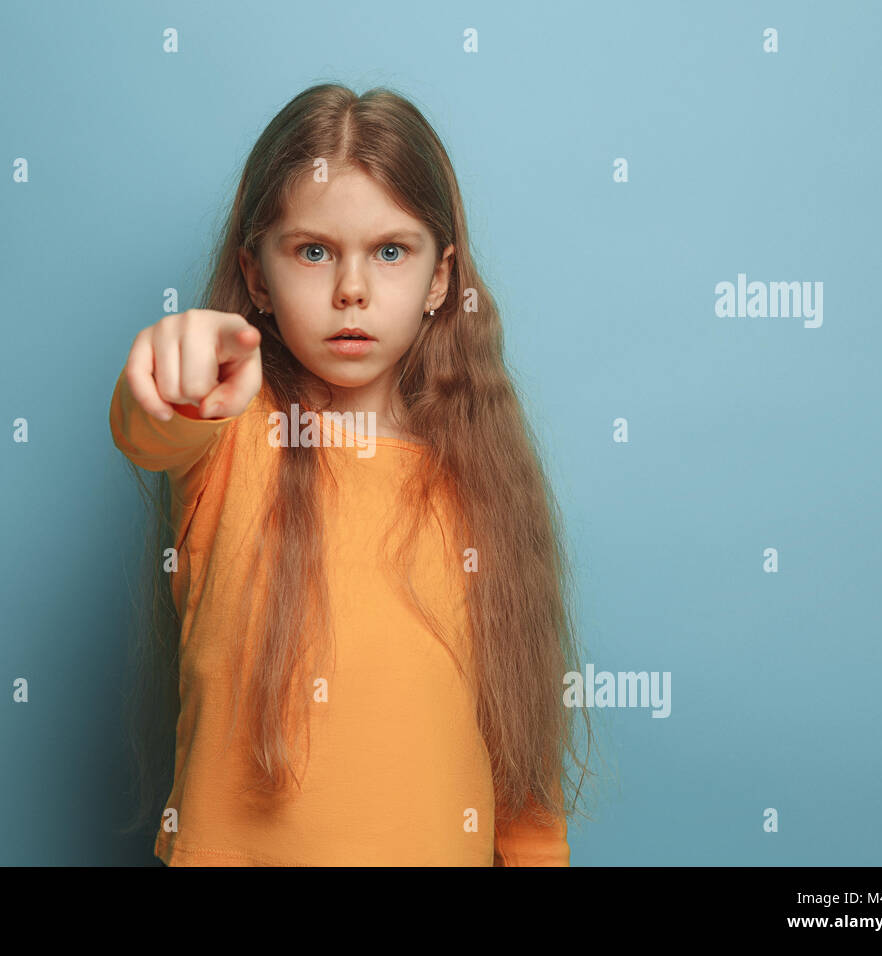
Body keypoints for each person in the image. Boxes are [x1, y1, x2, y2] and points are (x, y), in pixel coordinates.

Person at [111, 83, 594, 866]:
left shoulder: (484, 478)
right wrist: (177, 368)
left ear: (441, 279)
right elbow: (153, 428)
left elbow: (521, 742)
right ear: (257, 277)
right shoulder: (233, 429)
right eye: (313, 251)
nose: (352, 289)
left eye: (391, 251)